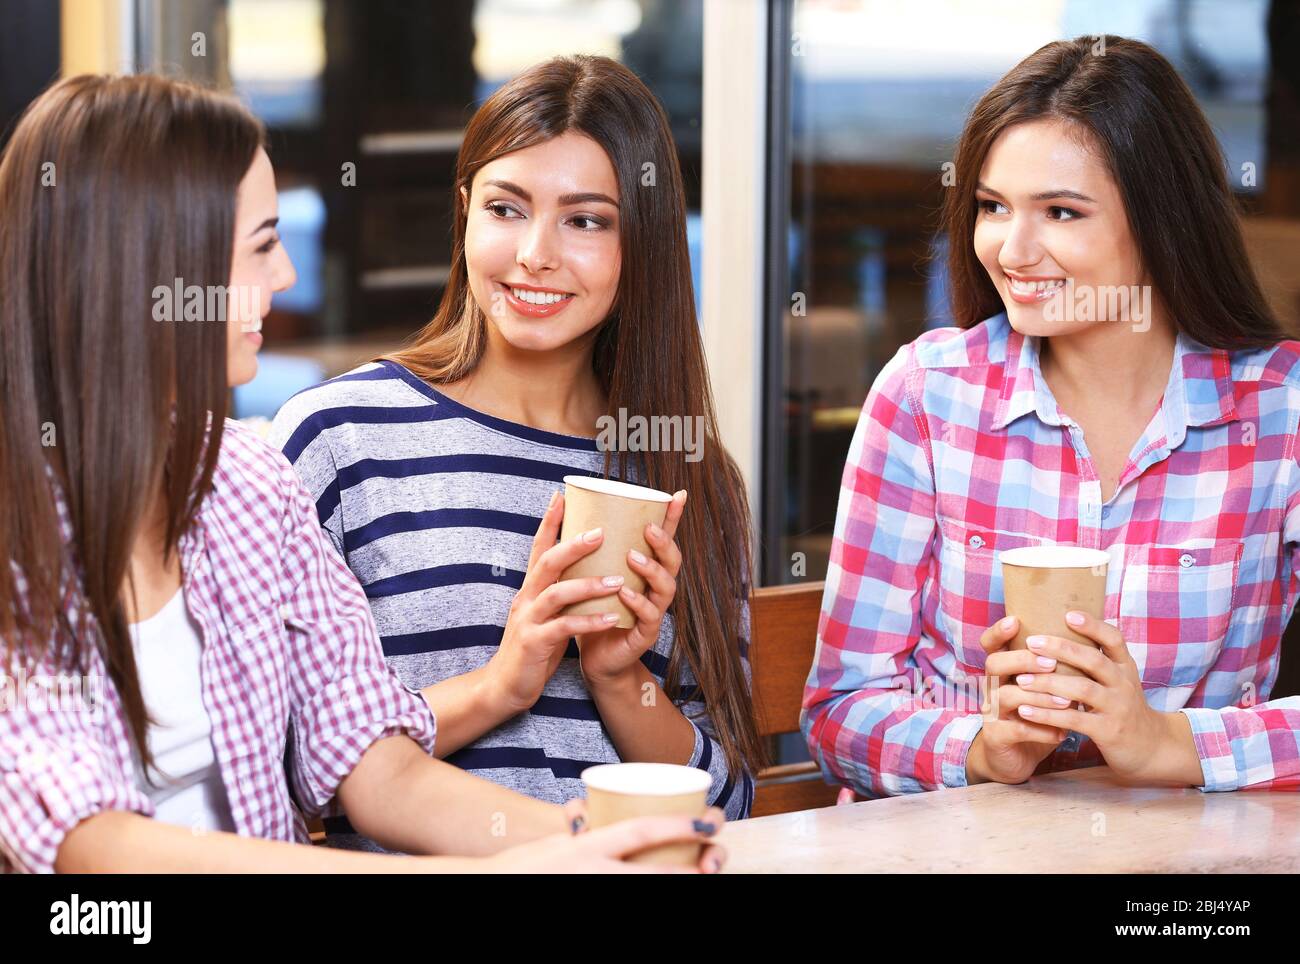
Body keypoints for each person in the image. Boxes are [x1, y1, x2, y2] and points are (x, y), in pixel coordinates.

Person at [0, 73, 726, 873]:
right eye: (262, 244)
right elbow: (91, 843)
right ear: (151, 265)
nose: (286, 277)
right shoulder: (19, 520)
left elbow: (374, 763)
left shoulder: (249, 485)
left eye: (585, 219)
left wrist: (599, 845)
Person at [269, 55, 761, 850]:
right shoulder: (338, 440)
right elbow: (299, 760)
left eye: (586, 221)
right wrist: (502, 682)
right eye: (506, 208)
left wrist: (617, 677)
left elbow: (728, 804)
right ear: (465, 211)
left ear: (643, 242)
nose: (535, 253)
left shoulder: (686, 476)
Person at [803, 36, 1300, 797]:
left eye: (1061, 212)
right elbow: (840, 708)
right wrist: (982, 750)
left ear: (1164, 220)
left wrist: (1163, 743)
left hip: (1182, 857)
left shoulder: (1278, 408)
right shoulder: (927, 396)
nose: (1013, 249)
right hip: (958, 844)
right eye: (993, 207)